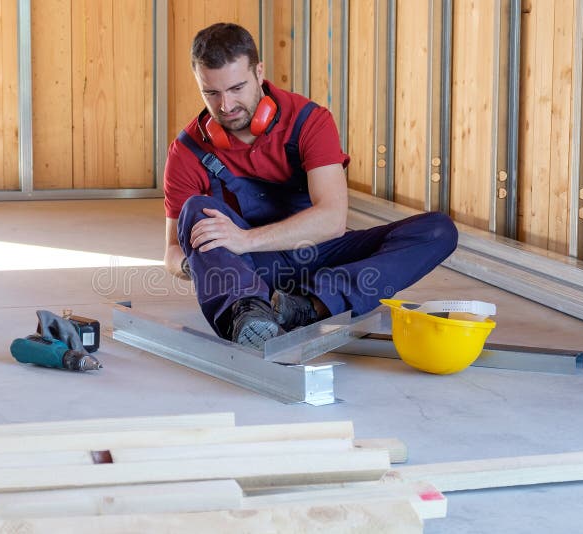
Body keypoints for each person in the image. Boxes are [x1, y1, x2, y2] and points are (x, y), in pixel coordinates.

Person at [163, 22, 458, 350]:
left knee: (438, 230)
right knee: (196, 210)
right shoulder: (187, 150)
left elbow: (332, 220)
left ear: (259, 72)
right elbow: (172, 252)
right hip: (252, 271)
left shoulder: (308, 121)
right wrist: (203, 262)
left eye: (236, 88)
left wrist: (244, 240)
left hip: (320, 254)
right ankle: (248, 314)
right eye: (211, 93)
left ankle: (308, 306)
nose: (226, 106)